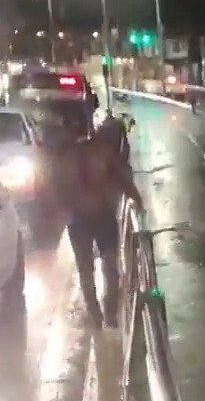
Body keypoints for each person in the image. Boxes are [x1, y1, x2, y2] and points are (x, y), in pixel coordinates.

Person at [52, 122, 144, 329]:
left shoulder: (71, 154)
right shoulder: (105, 154)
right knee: (109, 266)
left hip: (78, 219)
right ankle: (109, 314)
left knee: (87, 269)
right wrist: (138, 201)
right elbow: (124, 180)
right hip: (100, 216)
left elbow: (56, 185)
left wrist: (62, 209)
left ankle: (96, 315)